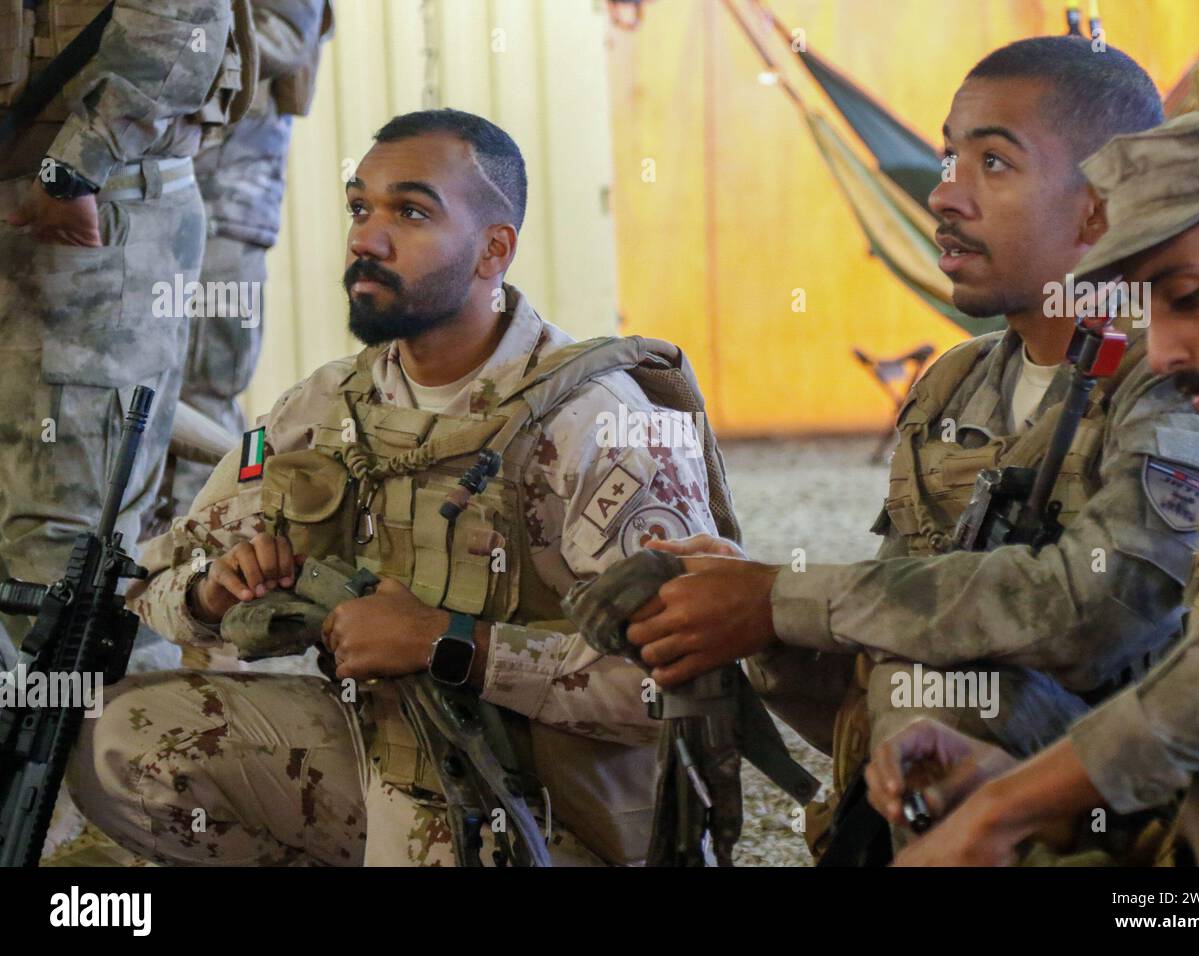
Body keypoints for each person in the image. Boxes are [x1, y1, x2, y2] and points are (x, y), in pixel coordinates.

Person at [623, 36, 1199, 851]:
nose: (945, 195)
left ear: (1099, 205)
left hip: (1135, 824)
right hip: (939, 809)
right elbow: (881, 659)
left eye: (993, 163)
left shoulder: (1176, 374)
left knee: (951, 691)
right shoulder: (954, 385)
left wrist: (782, 597)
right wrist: (746, 623)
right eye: (950, 158)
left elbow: (1090, 614)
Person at [67, 108, 724, 866]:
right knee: (124, 743)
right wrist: (214, 592)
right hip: (392, 752)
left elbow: (671, 685)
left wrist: (452, 647)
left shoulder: (601, 423)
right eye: (359, 208)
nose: (366, 240)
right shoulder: (321, 405)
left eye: (409, 212)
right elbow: (156, 573)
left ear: (493, 250)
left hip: (555, 806)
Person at [872, 94, 1199, 868]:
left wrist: (1020, 800)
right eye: (1147, 307)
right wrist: (1038, 794)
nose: (1163, 352)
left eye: (1188, 298)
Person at [0, 0, 246, 670]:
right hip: (43, 209)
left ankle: (112, 763)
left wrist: (77, 163)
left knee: (71, 554)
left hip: (84, 209)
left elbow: (179, 17)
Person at [167, 0, 333, 521]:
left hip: (226, 201)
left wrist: (149, 39)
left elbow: (283, 35)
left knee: (207, 384)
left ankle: (200, 534)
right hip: (161, 197)